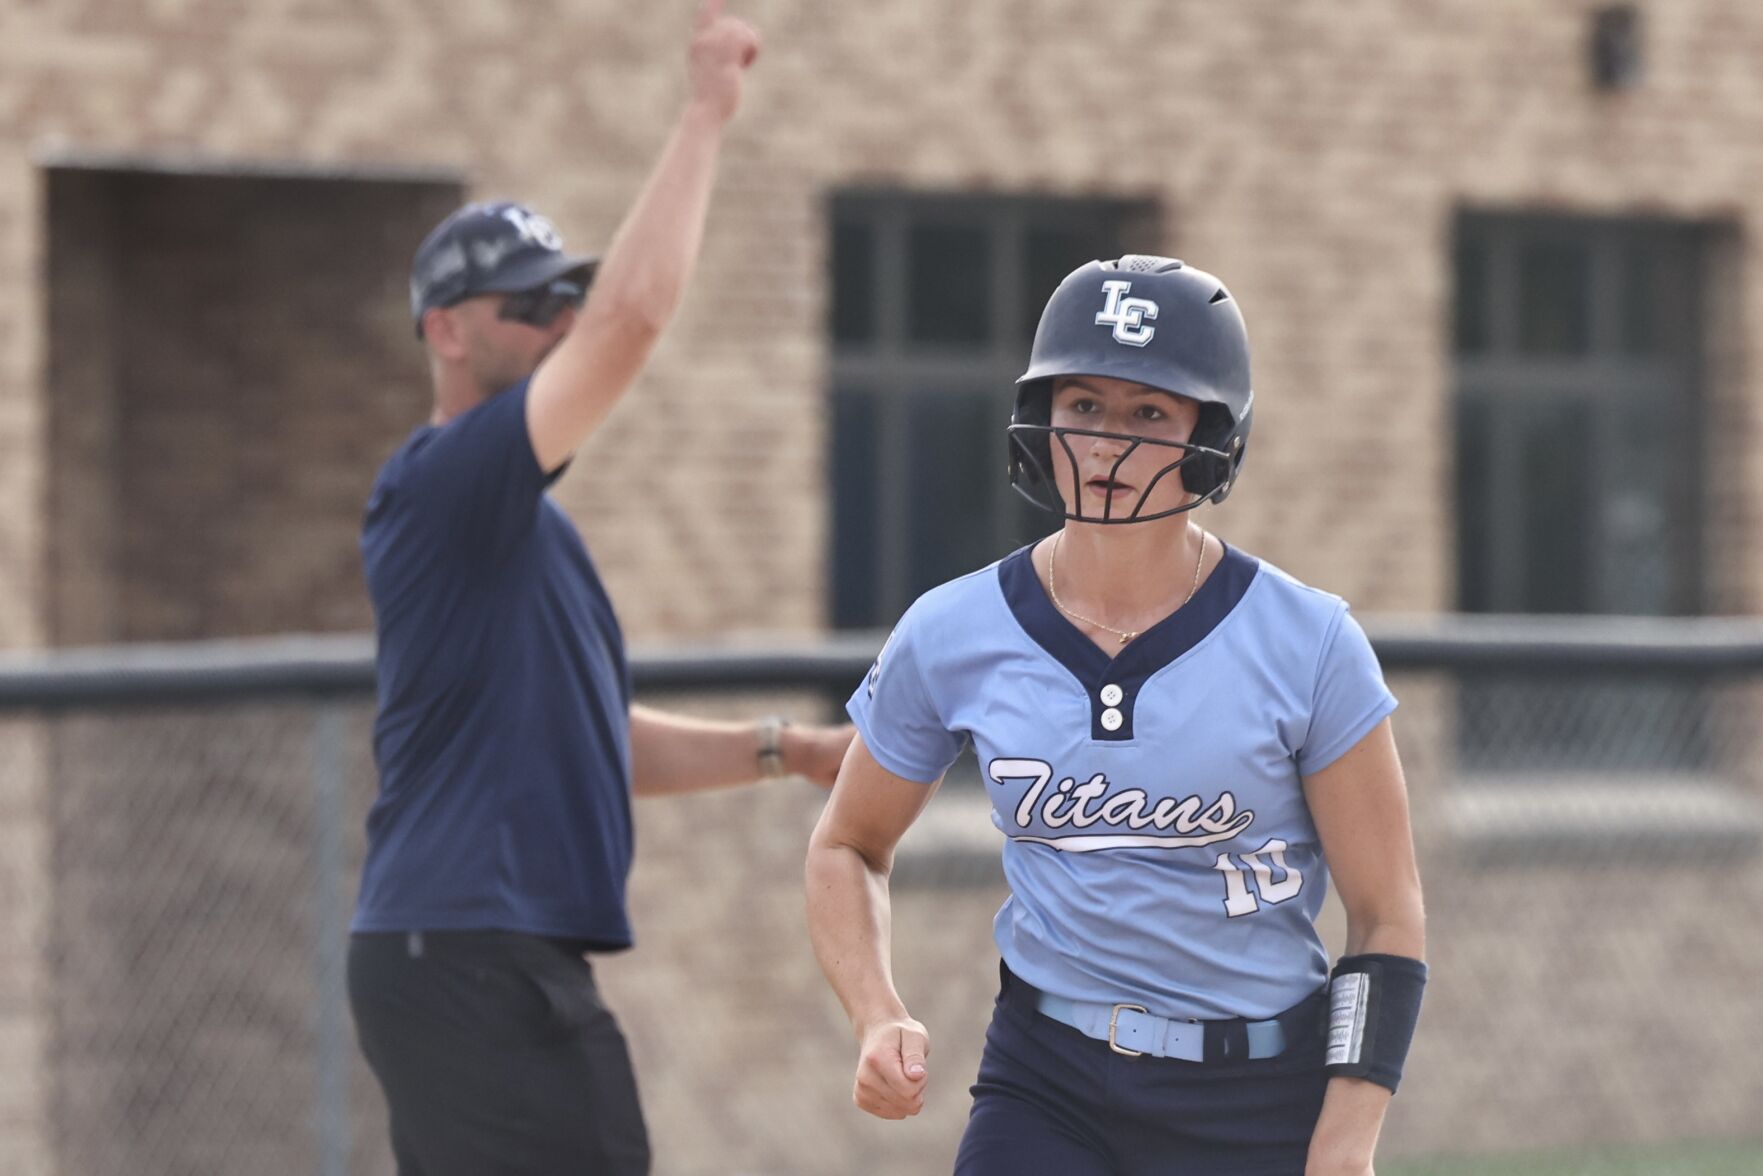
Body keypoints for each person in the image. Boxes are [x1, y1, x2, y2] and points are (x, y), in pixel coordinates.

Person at [346, 6, 852, 1174]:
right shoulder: (446, 483)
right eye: (531, 305)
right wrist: (703, 114)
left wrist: (782, 749)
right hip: (471, 955)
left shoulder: (519, 530)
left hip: (473, 956)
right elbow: (630, 320)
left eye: (561, 294)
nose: (563, 315)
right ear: (446, 332)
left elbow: (592, 743)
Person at [806, 255, 1427, 1176]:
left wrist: (1345, 1138)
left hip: (1256, 1095)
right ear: (1041, 419)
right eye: (1083, 406)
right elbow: (847, 845)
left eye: (1148, 413)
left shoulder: (1309, 641)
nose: (1106, 444)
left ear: (1212, 436)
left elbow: (1384, 918)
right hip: (1045, 1081)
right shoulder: (952, 630)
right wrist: (876, 1011)